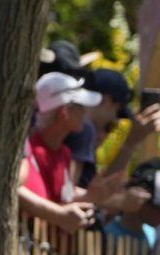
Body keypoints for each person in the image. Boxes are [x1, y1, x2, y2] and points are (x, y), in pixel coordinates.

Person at [17, 72, 101, 233]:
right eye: (80, 107)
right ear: (64, 112)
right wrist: (60, 214)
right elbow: (21, 197)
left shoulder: (64, 153)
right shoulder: (33, 151)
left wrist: (91, 197)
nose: (85, 113)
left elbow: (56, 200)